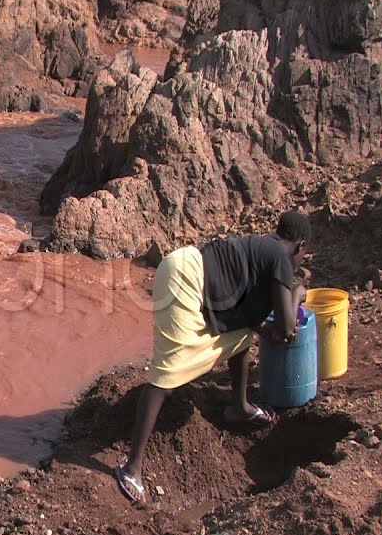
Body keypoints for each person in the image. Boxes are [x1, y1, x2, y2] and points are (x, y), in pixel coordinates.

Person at [114, 210, 311, 503]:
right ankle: (132, 468)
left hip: (191, 273)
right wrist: (298, 293)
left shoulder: (264, 248)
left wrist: (266, 332)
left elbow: (250, 315)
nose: (300, 262)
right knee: (168, 371)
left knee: (242, 335)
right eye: (303, 256)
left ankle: (239, 407)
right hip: (184, 278)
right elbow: (285, 326)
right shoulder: (281, 256)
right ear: (299, 246)